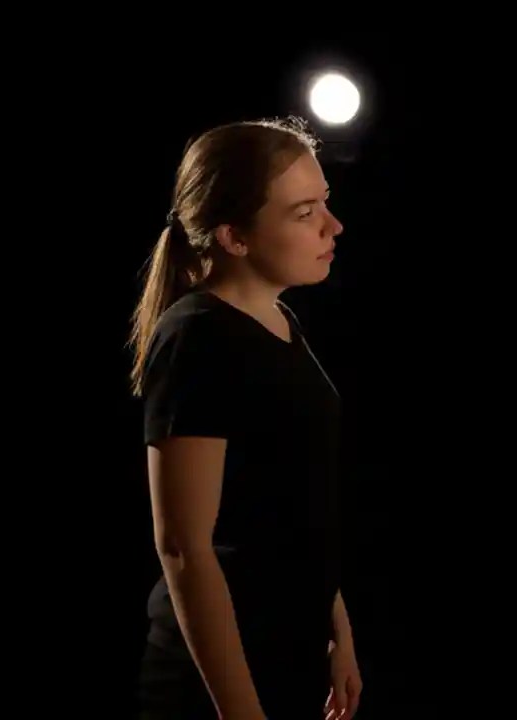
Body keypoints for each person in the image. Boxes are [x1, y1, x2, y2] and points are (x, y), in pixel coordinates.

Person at [128, 117, 362, 719]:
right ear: (234, 236)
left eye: (325, 204)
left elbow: (294, 502)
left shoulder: (282, 323)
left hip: (288, 655)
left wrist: (336, 628)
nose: (332, 227)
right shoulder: (197, 337)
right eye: (303, 212)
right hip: (216, 679)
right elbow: (183, 547)